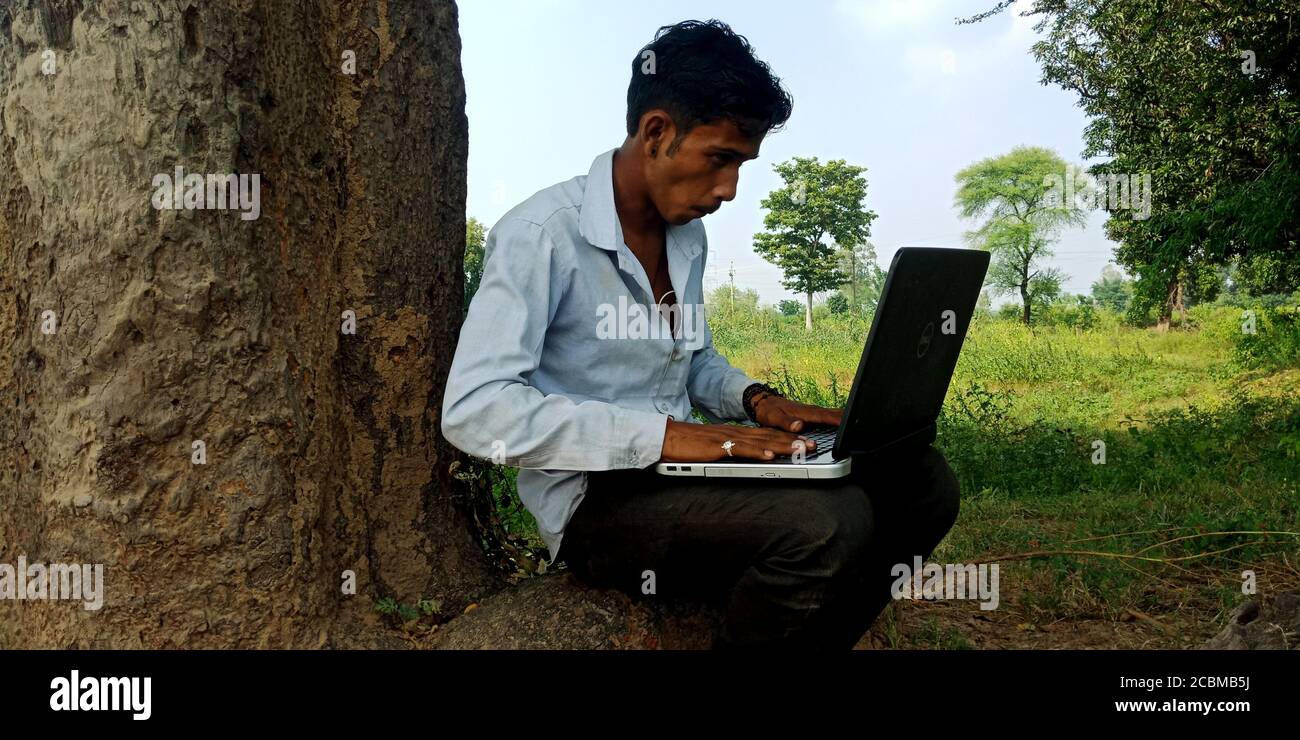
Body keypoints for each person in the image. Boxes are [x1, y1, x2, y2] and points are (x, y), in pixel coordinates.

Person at [441, 18, 960, 649]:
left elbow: (691, 361)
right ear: (656, 131)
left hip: (684, 476)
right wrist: (667, 436)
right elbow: (475, 408)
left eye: (741, 165)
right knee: (827, 525)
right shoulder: (541, 234)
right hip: (594, 500)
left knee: (923, 482)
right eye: (720, 159)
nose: (729, 190)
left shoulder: (686, 234)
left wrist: (757, 402)